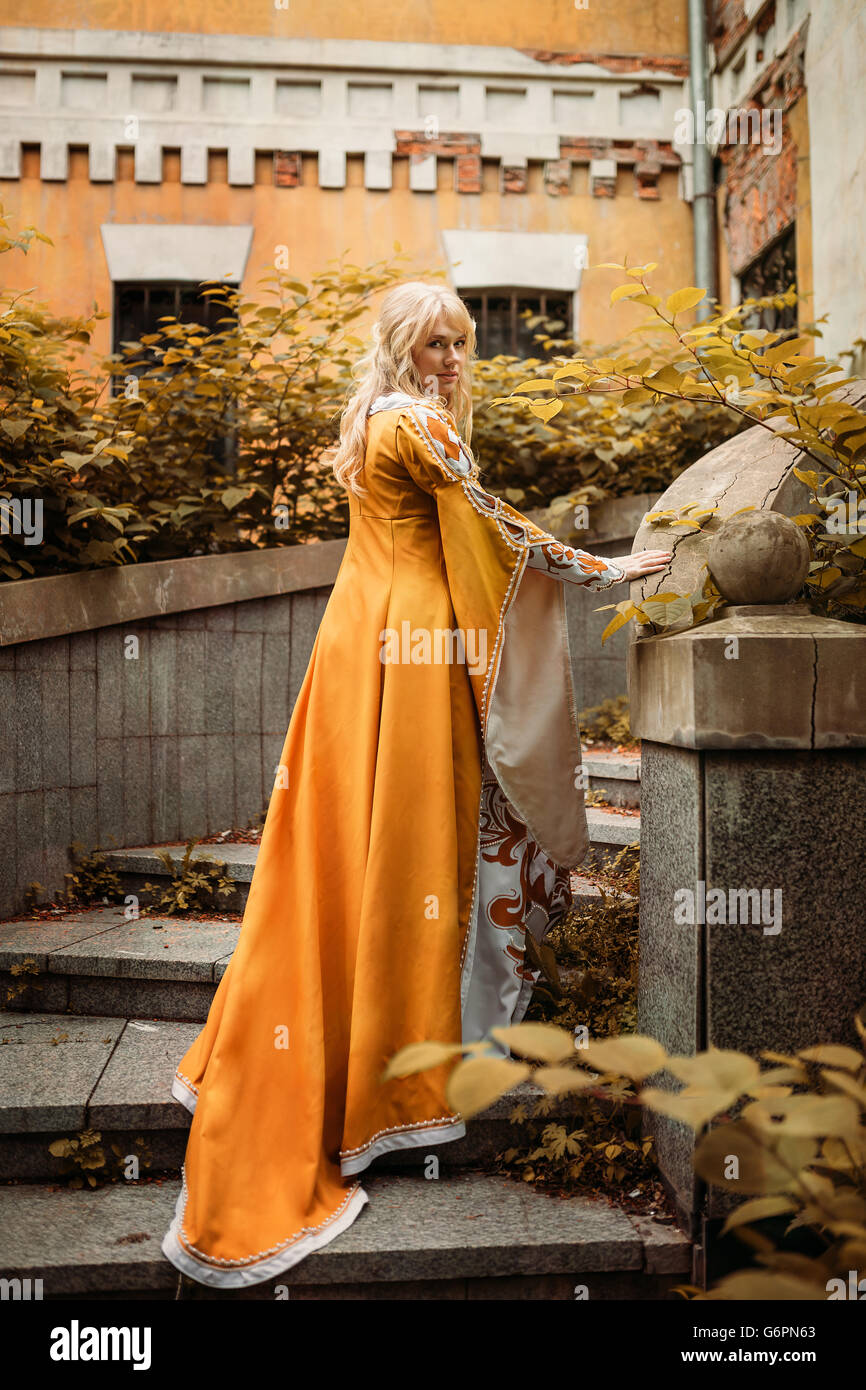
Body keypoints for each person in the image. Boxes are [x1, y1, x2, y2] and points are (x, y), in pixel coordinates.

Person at [161, 281, 672, 1290]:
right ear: (403, 344)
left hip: (366, 640)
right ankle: (394, 1059)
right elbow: (494, 527)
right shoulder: (414, 423)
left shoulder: (367, 416)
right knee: (410, 837)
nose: (451, 358)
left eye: (459, 342)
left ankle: (399, 1030)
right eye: (435, 342)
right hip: (408, 647)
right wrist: (605, 570)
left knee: (367, 840)